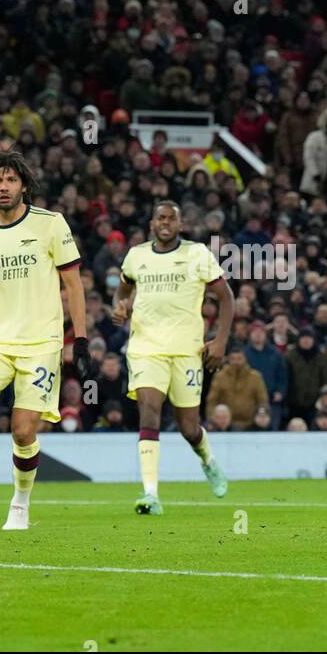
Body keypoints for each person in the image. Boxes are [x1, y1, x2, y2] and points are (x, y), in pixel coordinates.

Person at [0, 151, 91, 531]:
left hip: (41, 342)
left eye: (11, 180)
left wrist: (80, 340)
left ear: (23, 184)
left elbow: (74, 285)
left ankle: (21, 502)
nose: (4, 187)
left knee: (23, 431)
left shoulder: (50, 224)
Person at [110, 201, 235, 515]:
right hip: (146, 349)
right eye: (160, 218)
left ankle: (208, 460)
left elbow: (226, 297)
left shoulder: (197, 254)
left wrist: (219, 342)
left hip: (186, 351)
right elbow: (122, 291)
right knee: (149, 409)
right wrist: (120, 306)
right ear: (152, 223)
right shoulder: (136, 256)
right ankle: (151, 494)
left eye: (171, 219)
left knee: (189, 428)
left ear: (180, 225)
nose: (165, 223)